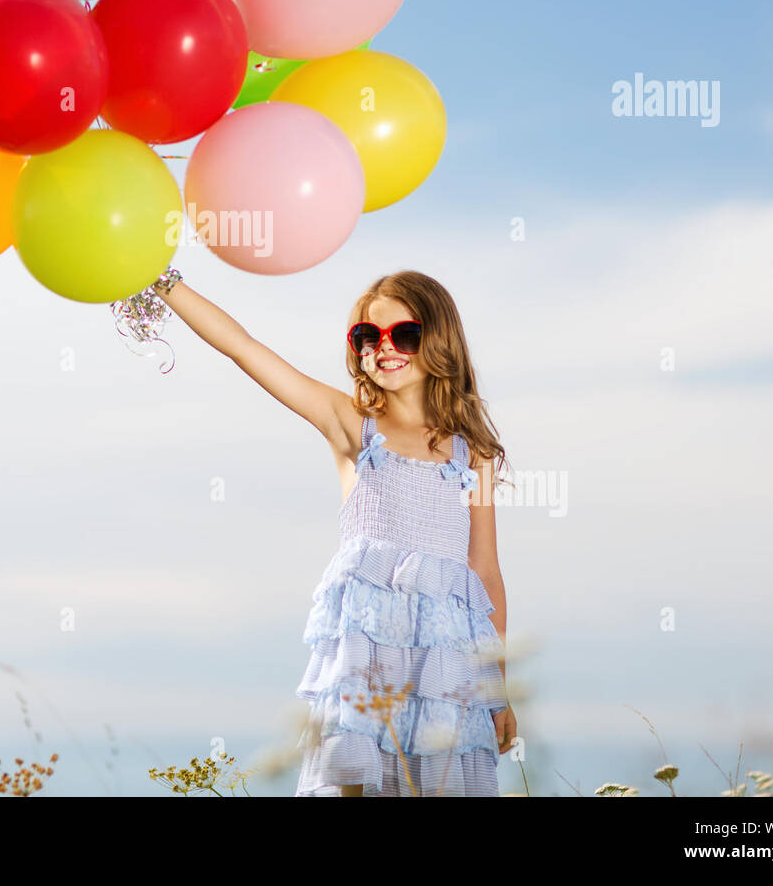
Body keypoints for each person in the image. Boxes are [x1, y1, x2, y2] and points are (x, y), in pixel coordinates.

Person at [148, 265, 516, 796]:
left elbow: (484, 569)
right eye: (366, 337)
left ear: (439, 339)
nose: (381, 349)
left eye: (403, 335)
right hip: (365, 663)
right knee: (353, 782)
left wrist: (497, 688)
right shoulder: (350, 423)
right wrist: (162, 281)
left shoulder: (471, 450)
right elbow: (244, 347)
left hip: (446, 666)